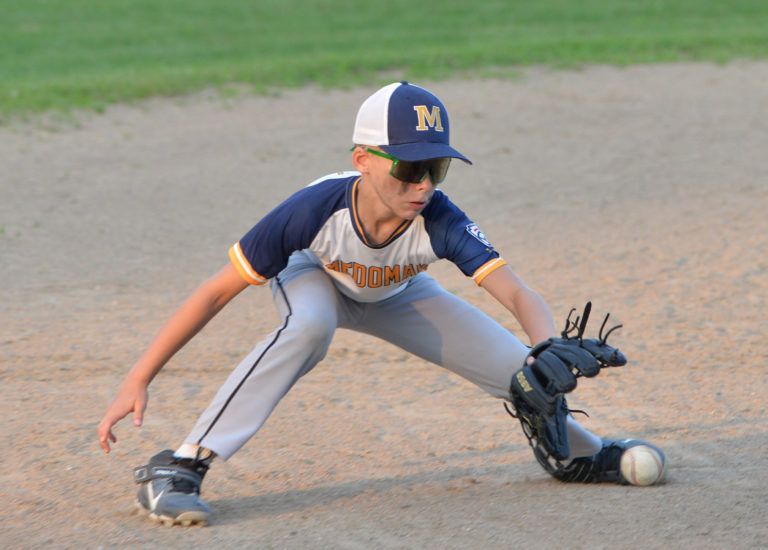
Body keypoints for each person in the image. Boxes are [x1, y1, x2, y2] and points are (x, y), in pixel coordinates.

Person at [97, 81, 665, 527]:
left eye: (435, 168)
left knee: (523, 372)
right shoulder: (312, 209)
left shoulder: (440, 217)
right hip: (314, 277)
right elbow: (216, 291)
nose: (423, 184)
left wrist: (543, 346)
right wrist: (139, 375)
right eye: (409, 167)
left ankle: (577, 454)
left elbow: (513, 288)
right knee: (310, 327)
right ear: (363, 159)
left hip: (399, 293)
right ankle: (180, 465)